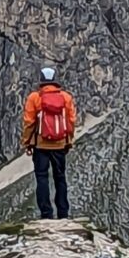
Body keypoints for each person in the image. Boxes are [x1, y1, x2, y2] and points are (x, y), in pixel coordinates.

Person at [20, 65, 75, 219]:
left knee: (42, 177)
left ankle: (46, 213)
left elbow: (29, 122)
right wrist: (68, 140)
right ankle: (63, 213)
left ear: (41, 81)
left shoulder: (34, 98)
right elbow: (71, 121)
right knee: (60, 177)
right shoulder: (66, 97)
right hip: (60, 144)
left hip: (40, 145)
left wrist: (27, 142)